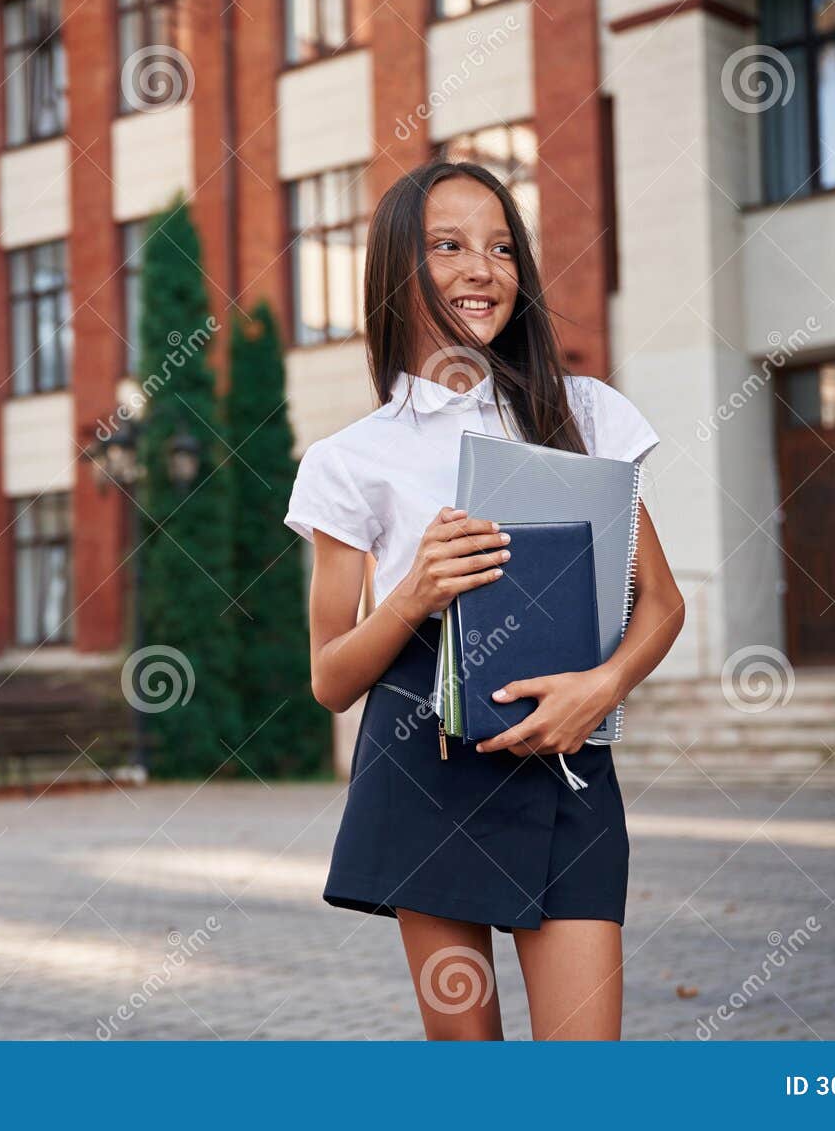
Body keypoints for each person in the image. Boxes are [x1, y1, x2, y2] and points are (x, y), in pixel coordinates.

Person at [283, 160, 686, 1040]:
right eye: (449, 246)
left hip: (566, 761)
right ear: (398, 269)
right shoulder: (350, 459)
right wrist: (413, 593)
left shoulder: (583, 412)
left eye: (503, 247)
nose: (483, 269)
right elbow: (328, 680)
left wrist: (602, 686)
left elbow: (661, 602)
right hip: (422, 772)